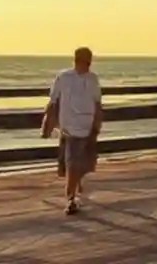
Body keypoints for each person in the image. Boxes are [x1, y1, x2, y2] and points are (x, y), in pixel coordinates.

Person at [41, 47, 103, 215]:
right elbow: (53, 101)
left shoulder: (93, 79)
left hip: (87, 126)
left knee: (82, 164)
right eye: (86, 61)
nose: (88, 64)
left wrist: (97, 124)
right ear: (77, 60)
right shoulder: (64, 77)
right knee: (72, 163)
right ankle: (71, 198)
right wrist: (47, 123)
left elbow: (97, 103)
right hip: (69, 127)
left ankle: (75, 188)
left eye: (90, 61)